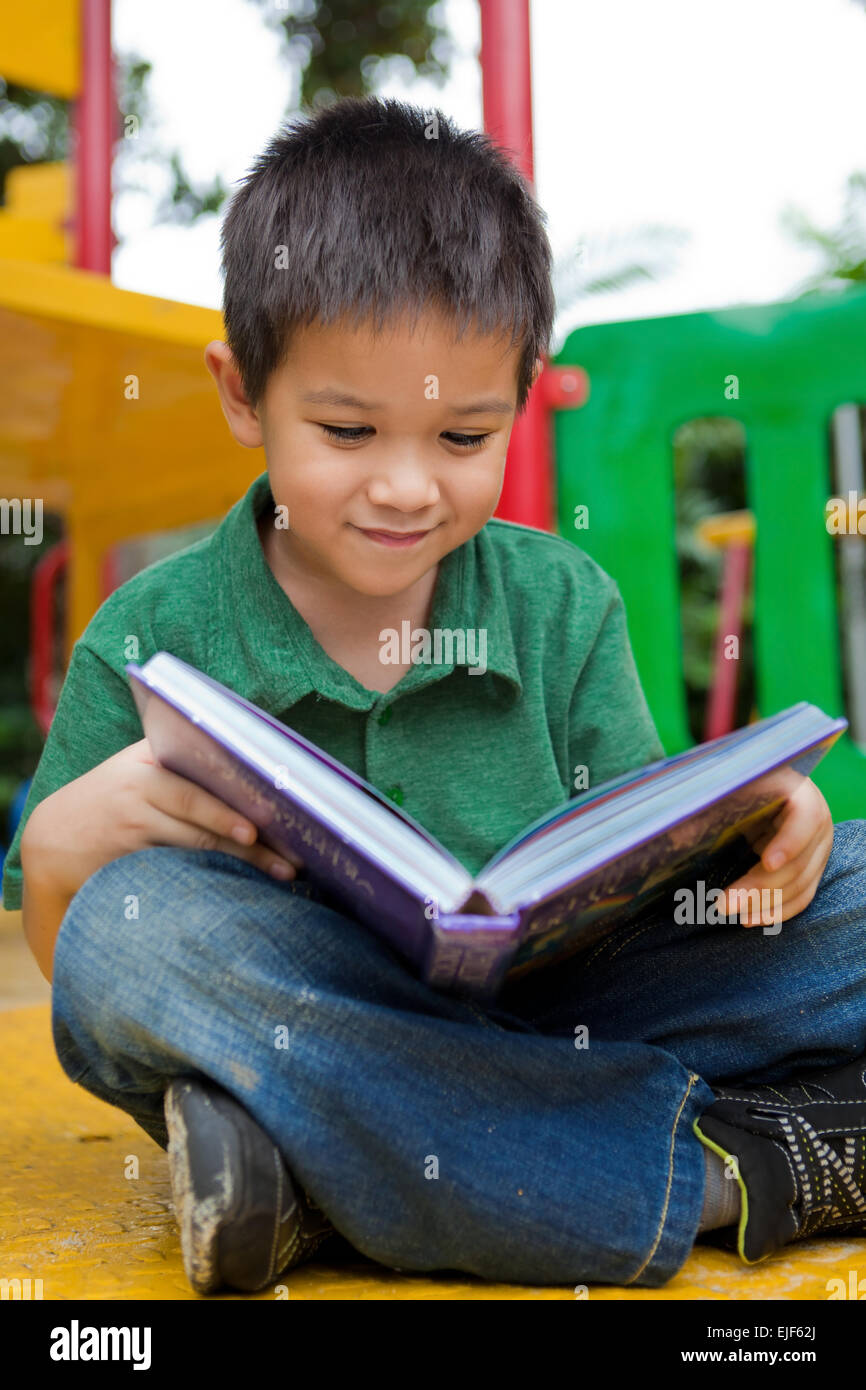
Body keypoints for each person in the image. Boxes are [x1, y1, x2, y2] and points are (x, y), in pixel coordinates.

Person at [5, 96, 866, 1296]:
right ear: (242, 391)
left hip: (573, 1006)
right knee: (140, 938)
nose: (406, 488)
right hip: (296, 1010)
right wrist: (58, 857)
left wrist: (768, 839)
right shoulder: (152, 633)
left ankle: (324, 1174)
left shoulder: (561, 600)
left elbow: (645, 869)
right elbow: (90, 980)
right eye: (348, 430)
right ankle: (733, 1165)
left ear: (519, 394)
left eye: (463, 437)